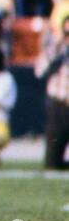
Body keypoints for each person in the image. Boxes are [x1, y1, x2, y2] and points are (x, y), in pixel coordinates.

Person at [34, 13, 69, 170]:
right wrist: (57, 45)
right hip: (59, 106)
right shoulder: (56, 51)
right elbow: (39, 71)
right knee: (52, 163)